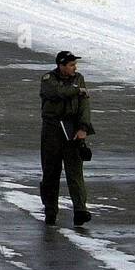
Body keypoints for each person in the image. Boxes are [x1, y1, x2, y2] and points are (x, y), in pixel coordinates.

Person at [40, 51, 95, 227]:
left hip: (72, 129)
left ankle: (80, 210)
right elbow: (56, 92)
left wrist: (83, 128)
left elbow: (84, 105)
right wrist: (76, 91)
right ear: (61, 65)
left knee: (75, 173)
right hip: (52, 130)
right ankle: (50, 211)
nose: (74, 68)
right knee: (51, 172)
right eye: (71, 65)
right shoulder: (48, 79)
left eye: (74, 64)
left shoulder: (78, 78)